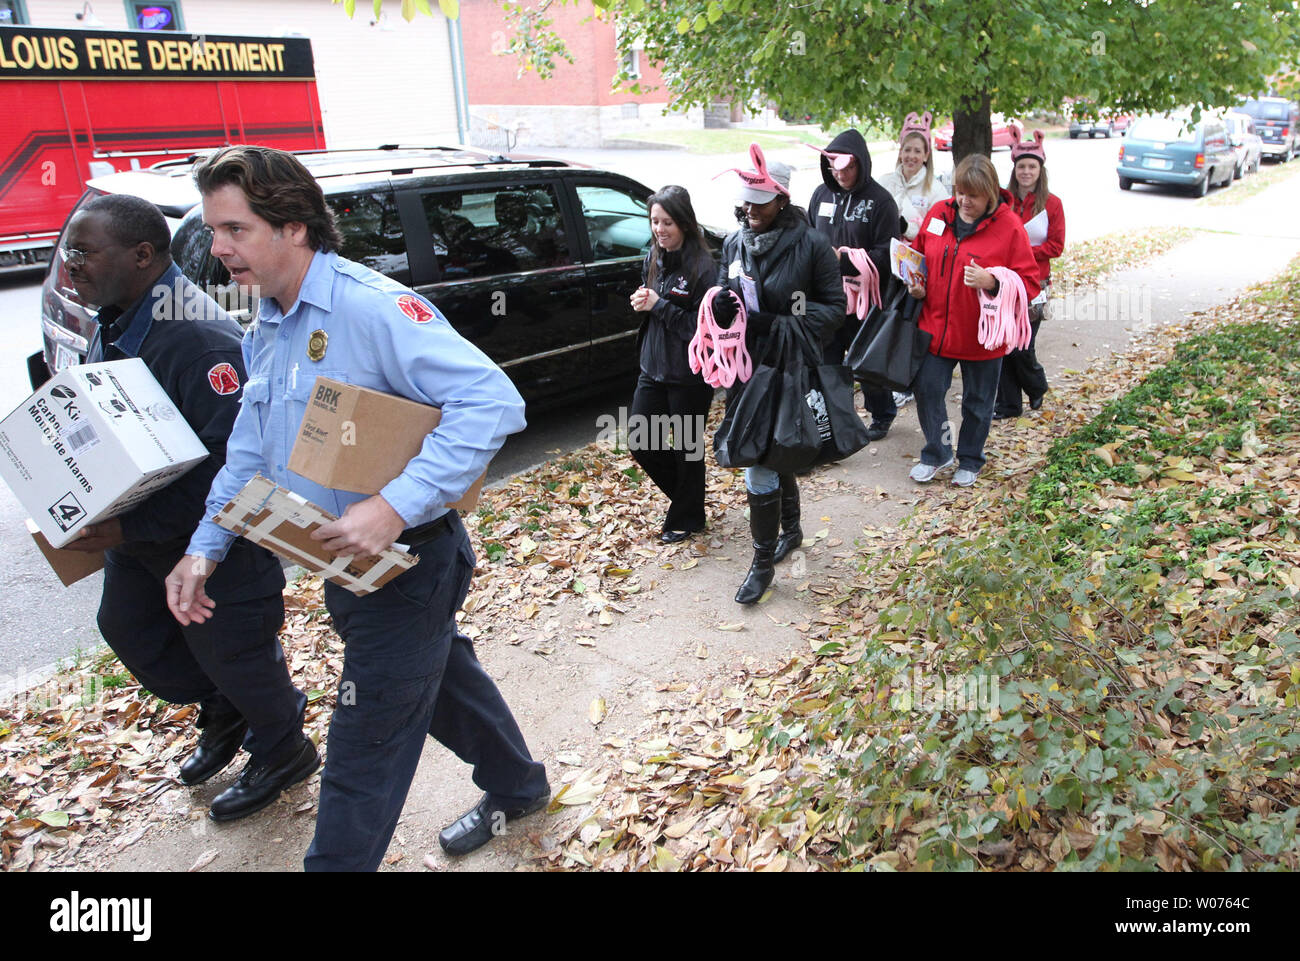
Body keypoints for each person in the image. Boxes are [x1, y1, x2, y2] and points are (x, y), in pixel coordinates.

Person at [163, 145, 549, 869]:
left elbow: (491, 400)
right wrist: (204, 547)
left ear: (294, 226)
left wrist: (394, 506)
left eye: (235, 230)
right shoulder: (269, 326)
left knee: (363, 741)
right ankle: (519, 784)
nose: (218, 250)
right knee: (440, 685)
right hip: (348, 567)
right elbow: (248, 452)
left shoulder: (370, 309)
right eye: (215, 232)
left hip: (410, 563)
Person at [60, 194, 310, 821]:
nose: (70, 268)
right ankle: (226, 706)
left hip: (211, 542)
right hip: (140, 538)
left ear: (142, 255)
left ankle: (284, 747)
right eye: (69, 253)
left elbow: (239, 471)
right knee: (131, 630)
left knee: (235, 653)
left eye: (84, 254)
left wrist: (129, 523)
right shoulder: (118, 317)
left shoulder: (195, 341)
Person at [711, 145, 845, 603]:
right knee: (770, 451)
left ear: (782, 201)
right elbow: (722, 290)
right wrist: (723, 305)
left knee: (759, 461)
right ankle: (792, 530)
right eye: (745, 201)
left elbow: (834, 308)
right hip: (745, 369)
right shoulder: (734, 241)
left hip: (789, 368)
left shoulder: (811, 245)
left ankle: (762, 562)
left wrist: (780, 322)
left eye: (759, 202)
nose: (750, 210)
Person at [905, 153, 1040, 488]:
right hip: (936, 327)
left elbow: (1030, 283)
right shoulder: (939, 213)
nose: (964, 201)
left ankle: (970, 458)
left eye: (974, 195)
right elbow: (920, 255)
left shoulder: (1008, 227)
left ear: (990, 194)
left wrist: (993, 282)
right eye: (960, 192)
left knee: (978, 403)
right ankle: (938, 451)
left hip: (983, 335)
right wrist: (916, 283)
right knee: (928, 391)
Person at [628, 185, 717, 543]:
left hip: (689, 374)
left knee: (687, 449)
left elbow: (701, 327)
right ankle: (689, 503)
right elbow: (654, 305)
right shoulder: (653, 256)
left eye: (667, 222)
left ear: (684, 223)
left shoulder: (705, 268)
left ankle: (687, 516)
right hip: (653, 368)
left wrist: (658, 305)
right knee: (640, 440)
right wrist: (642, 301)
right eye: (654, 221)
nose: (659, 230)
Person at [807, 129, 901, 441]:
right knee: (829, 366)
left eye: (848, 167)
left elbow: (889, 254)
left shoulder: (881, 201)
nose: (842, 174)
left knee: (867, 365)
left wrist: (845, 261)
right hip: (827, 300)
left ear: (862, 164)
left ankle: (882, 413)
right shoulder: (821, 195)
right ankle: (837, 423)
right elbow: (807, 238)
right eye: (835, 167)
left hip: (866, 301)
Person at [879, 112, 952, 410]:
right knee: (887, 321)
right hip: (885, 263)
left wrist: (907, 226)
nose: (910, 156)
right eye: (906, 149)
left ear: (926, 155)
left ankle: (907, 381)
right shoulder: (884, 182)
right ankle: (885, 374)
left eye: (917, 151)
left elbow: (939, 231)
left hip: (915, 268)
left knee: (909, 324)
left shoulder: (935, 189)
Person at [995, 129, 1065, 419]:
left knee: (1023, 344)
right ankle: (1008, 404)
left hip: (1035, 283)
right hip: (1004, 282)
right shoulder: (1003, 200)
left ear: (1040, 170)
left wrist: (1024, 249)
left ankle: (1036, 386)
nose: (1026, 171)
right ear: (1014, 169)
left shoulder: (1052, 203)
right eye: (1021, 166)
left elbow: (1056, 246)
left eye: (1032, 166)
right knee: (1002, 344)